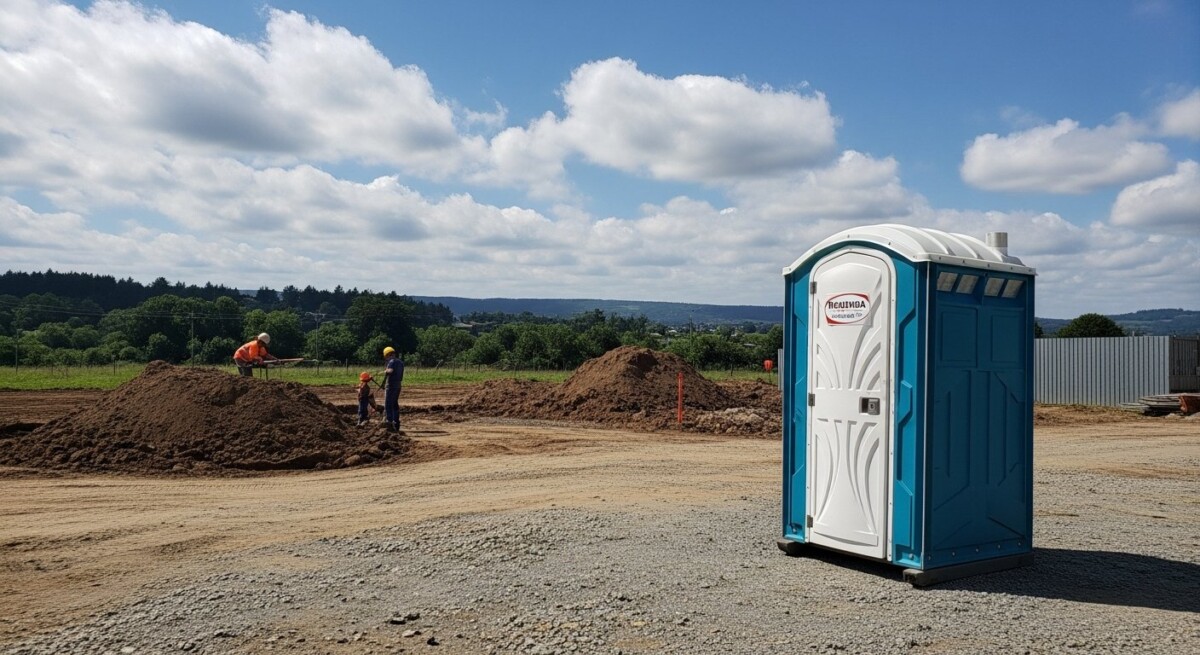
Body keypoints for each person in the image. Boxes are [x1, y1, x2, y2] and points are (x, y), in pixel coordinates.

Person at [379, 346, 405, 432]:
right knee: (394, 404)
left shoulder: (391, 361)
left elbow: (390, 371)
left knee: (388, 404)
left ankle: (388, 422)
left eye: (386, 357)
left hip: (391, 386)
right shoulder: (400, 362)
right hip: (398, 385)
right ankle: (396, 423)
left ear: (387, 355)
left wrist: (383, 372)